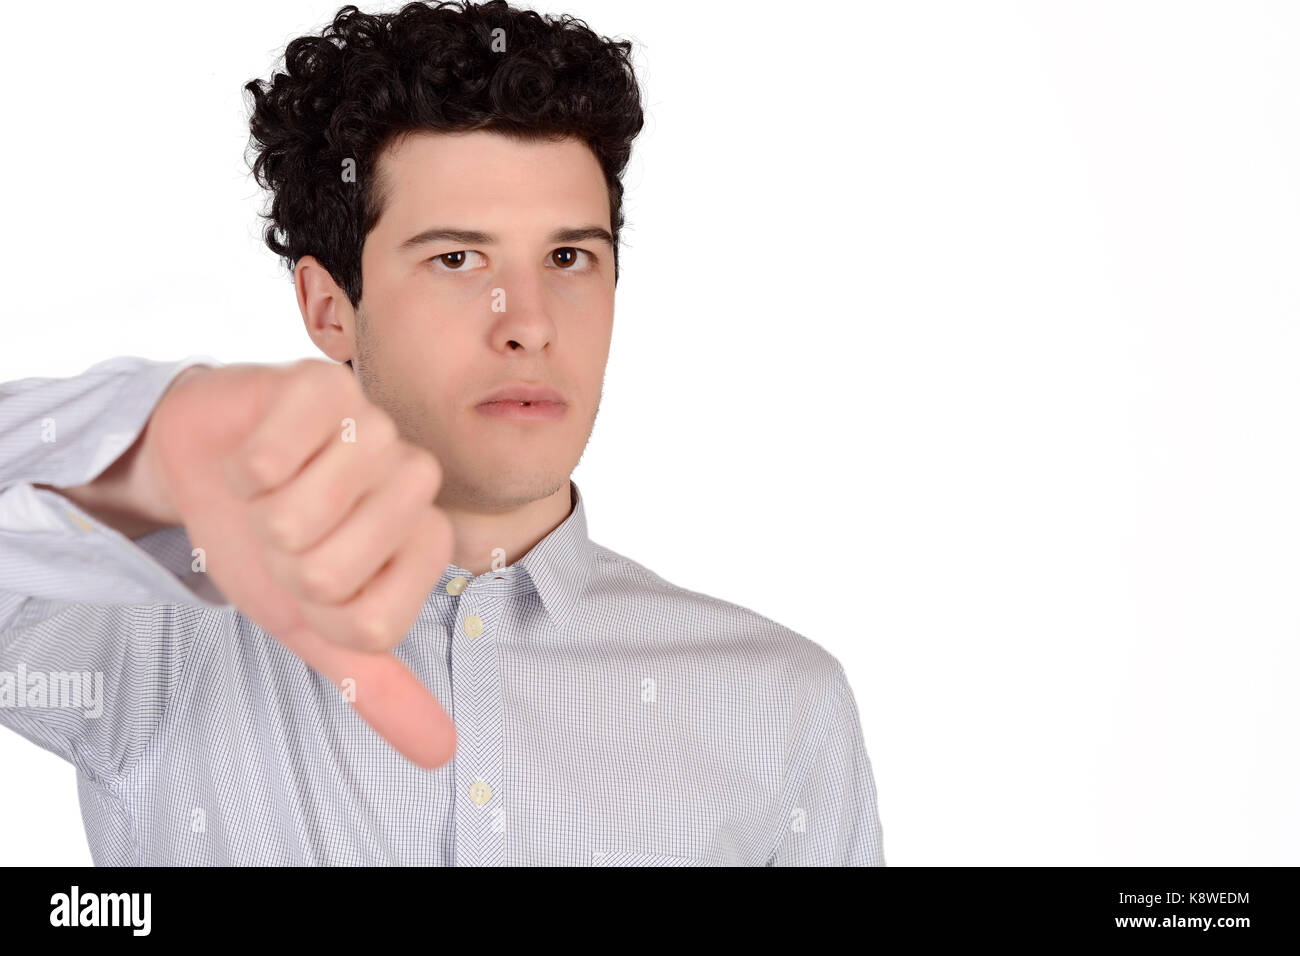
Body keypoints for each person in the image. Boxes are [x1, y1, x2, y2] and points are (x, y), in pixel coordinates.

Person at [0, 0, 884, 865]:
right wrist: (143, 432)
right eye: (458, 259)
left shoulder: (781, 707)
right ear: (329, 309)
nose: (527, 322)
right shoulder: (147, 628)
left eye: (568, 257)